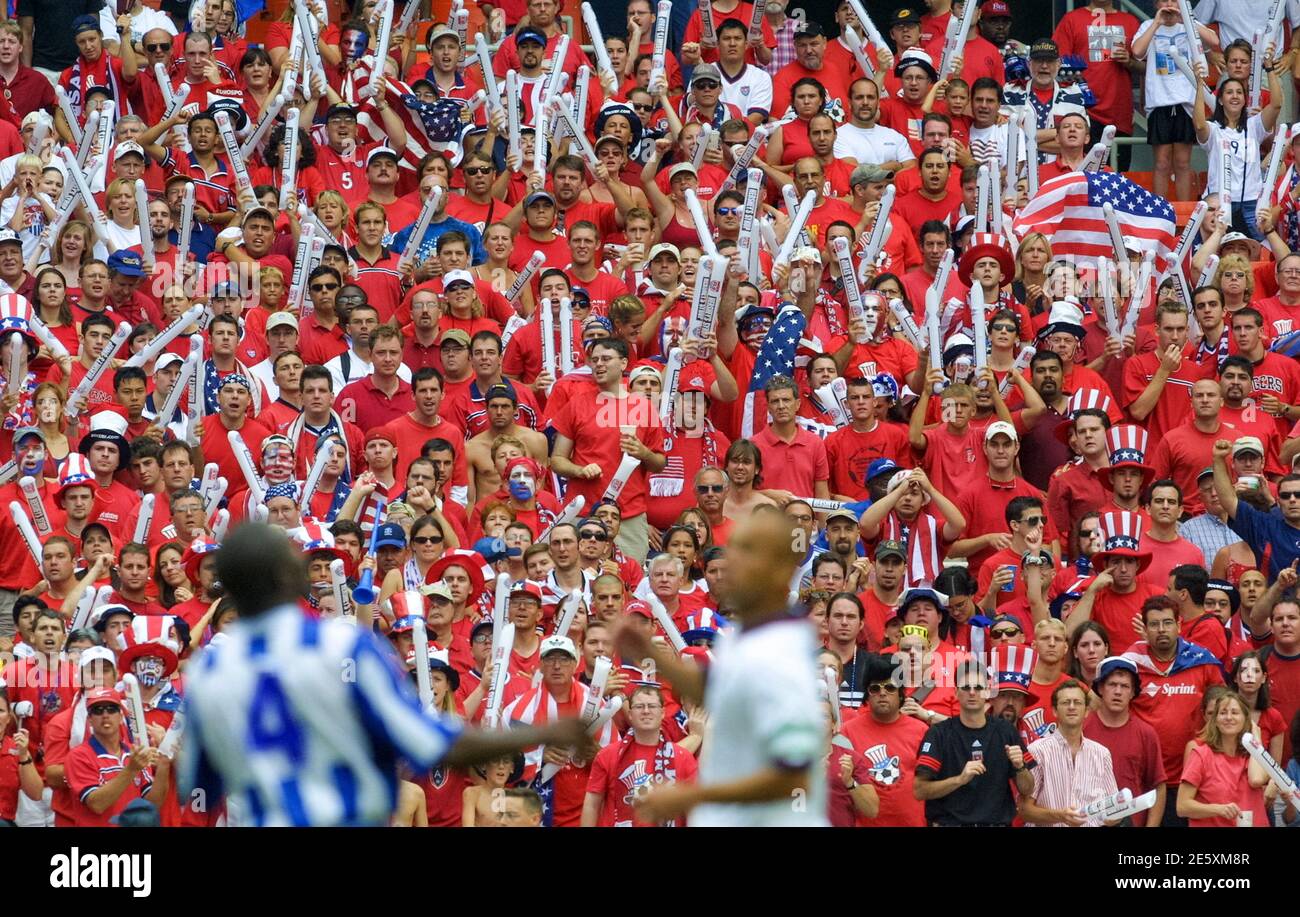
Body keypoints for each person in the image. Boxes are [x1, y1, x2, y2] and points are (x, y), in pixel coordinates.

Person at [178, 524, 590, 827]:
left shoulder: (210, 672)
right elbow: (433, 742)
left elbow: (200, 785)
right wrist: (538, 734)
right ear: (290, 577)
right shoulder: (342, 647)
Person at [613, 510, 828, 826]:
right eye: (734, 548)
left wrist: (690, 795)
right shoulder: (750, 634)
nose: (732, 562)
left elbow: (794, 777)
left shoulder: (781, 656)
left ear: (782, 567)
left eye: (748, 551)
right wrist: (652, 655)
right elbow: (719, 688)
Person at [913, 656, 1036, 827]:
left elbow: (1027, 789)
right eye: (966, 687)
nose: (972, 692)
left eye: (978, 687)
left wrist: (1020, 767)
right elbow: (919, 790)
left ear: (987, 691)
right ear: (955, 692)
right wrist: (959, 780)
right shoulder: (938, 733)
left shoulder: (1005, 731)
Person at [1019, 679, 1119, 827]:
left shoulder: (1101, 753)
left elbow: (1113, 809)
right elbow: (1024, 810)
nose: (1072, 707)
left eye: (1077, 702)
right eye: (1066, 702)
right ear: (1054, 710)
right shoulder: (1037, 751)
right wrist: (1060, 816)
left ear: (1086, 711)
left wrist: (1113, 817)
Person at [1177, 691, 1273, 827]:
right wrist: (1218, 809)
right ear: (1215, 720)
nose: (1228, 717)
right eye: (1222, 713)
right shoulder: (1201, 754)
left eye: (1234, 712)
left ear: (1246, 719)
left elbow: (1256, 779)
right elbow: (1182, 806)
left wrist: (1256, 738)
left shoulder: (1253, 754)